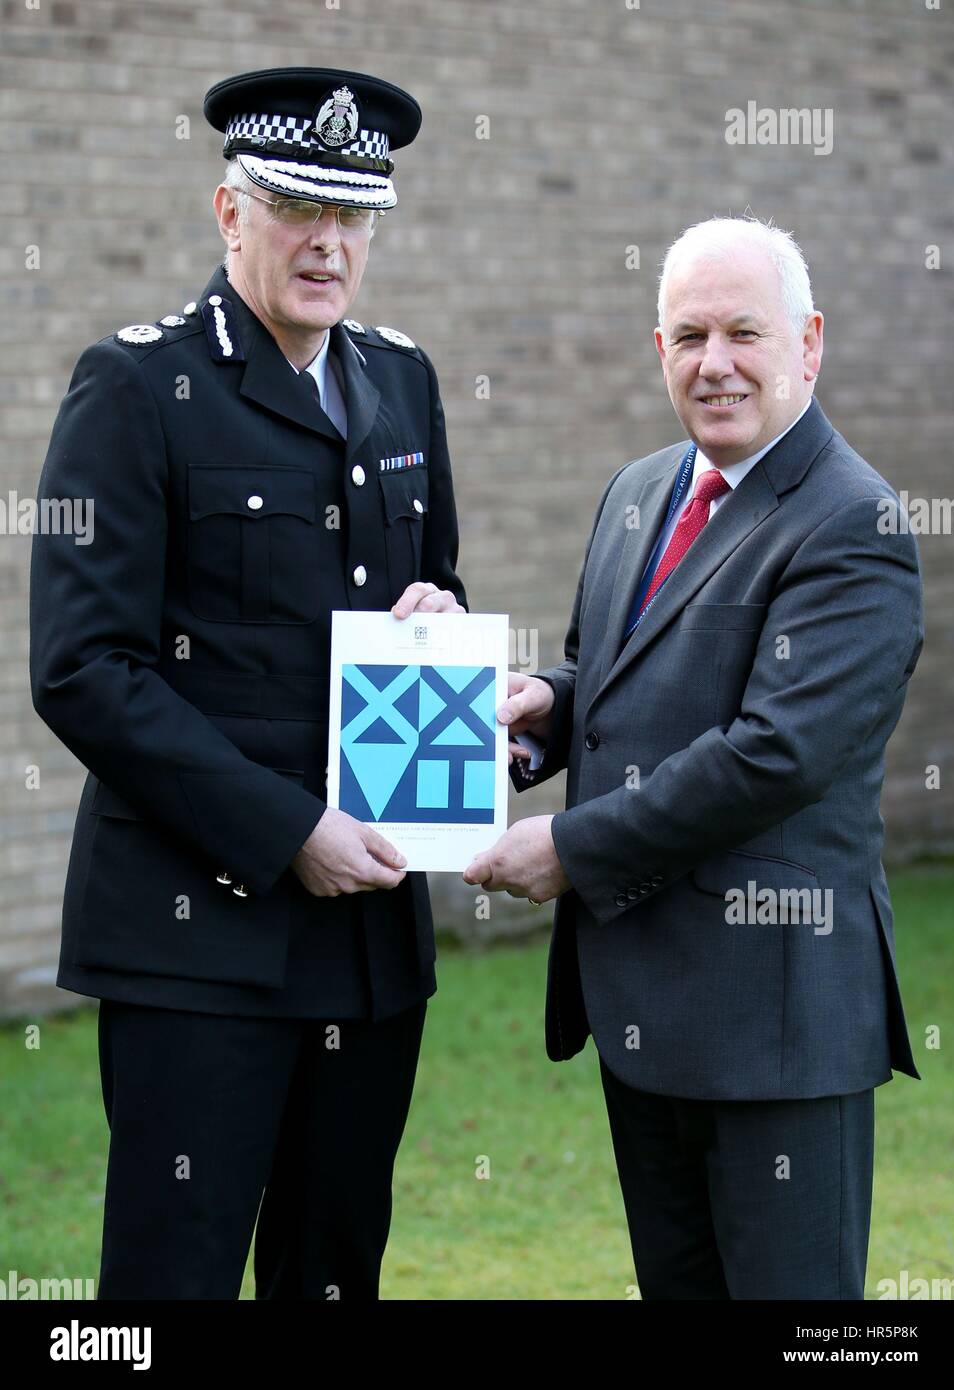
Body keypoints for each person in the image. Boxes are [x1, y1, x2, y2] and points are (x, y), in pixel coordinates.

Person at [29, 65, 466, 1301]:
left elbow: (431, 596)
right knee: (171, 1282)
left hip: (369, 941)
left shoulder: (402, 380)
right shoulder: (133, 385)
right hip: (196, 940)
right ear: (230, 215)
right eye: (294, 207)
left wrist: (438, 631)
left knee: (334, 1275)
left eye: (354, 214)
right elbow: (82, 668)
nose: (327, 241)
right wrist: (287, 832)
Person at [464, 216, 924, 1300]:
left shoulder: (851, 522)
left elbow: (772, 754)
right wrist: (545, 707)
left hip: (775, 1022)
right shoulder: (637, 493)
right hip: (645, 1016)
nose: (712, 362)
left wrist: (570, 848)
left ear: (807, 342)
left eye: (741, 333)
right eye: (686, 335)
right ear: (655, 349)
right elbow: (615, 676)